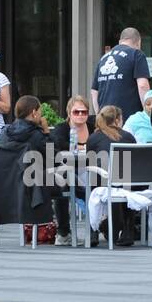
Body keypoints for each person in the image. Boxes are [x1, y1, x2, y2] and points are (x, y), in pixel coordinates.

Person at [86, 105, 138, 247]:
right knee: (127, 181)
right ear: (118, 120)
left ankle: (93, 231)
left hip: (102, 184)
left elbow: (89, 161)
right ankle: (128, 231)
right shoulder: (129, 137)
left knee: (92, 176)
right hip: (127, 184)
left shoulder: (93, 138)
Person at [50, 96, 95, 245]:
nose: (81, 115)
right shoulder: (61, 129)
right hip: (69, 169)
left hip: (91, 168)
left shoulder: (94, 126)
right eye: (76, 112)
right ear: (69, 113)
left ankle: (97, 228)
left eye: (84, 112)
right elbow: (58, 149)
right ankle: (63, 232)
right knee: (62, 181)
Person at [91, 27, 151, 119]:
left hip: (105, 118)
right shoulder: (136, 54)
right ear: (138, 42)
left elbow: (94, 91)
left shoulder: (103, 58)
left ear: (120, 41)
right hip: (129, 119)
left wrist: (99, 114)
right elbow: (142, 85)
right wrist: (148, 113)